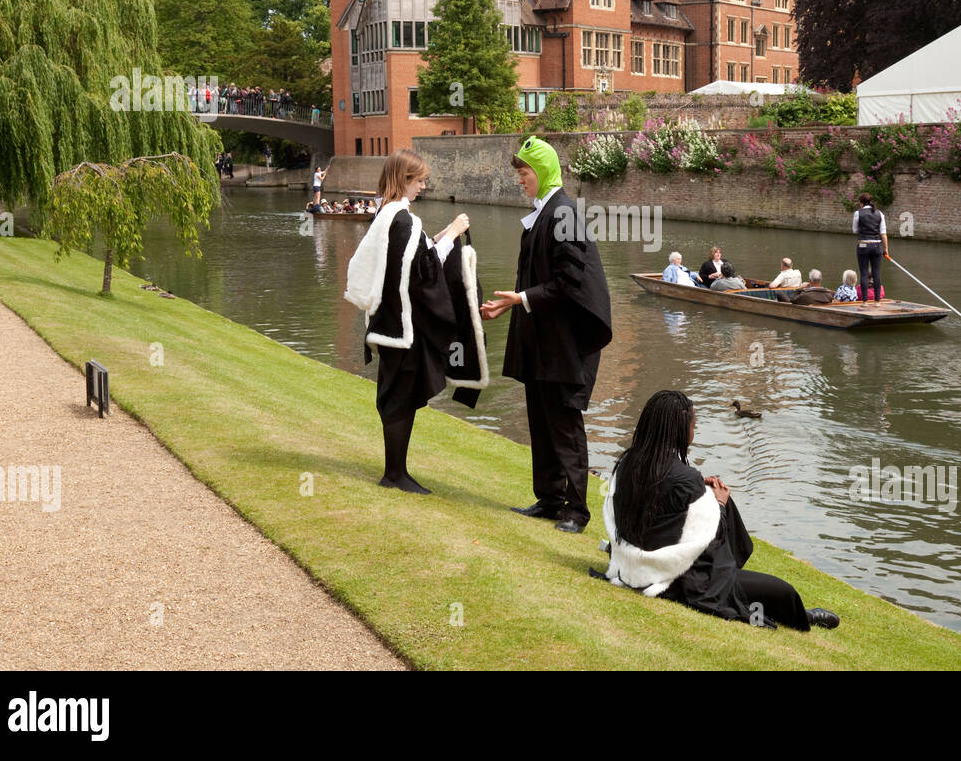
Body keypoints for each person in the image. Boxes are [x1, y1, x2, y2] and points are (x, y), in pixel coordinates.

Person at [603, 390, 840, 631]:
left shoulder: (625, 465)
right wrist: (718, 505)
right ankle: (803, 615)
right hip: (673, 578)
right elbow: (707, 541)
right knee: (783, 591)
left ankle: (730, 575)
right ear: (682, 430)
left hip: (629, 566)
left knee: (719, 517)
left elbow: (658, 515)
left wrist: (699, 495)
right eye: (694, 425)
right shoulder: (685, 478)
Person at [480, 136, 612, 535]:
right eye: (519, 173)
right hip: (542, 342)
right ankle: (551, 499)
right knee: (540, 420)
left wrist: (521, 298)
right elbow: (542, 279)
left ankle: (577, 510)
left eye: (524, 173)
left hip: (566, 344)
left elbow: (571, 282)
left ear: (541, 171)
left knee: (564, 423)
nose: (520, 180)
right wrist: (513, 302)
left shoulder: (564, 213)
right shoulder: (544, 214)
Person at [343, 149, 483, 493]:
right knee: (399, 398)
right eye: (419, 180)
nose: (423, 186)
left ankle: (397, 471)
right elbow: (422, 273)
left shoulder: (388, 214)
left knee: (398, 396)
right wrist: (452, 233)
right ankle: (394, 475)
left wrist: (440, 239)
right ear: (404, 180)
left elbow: (414, 259)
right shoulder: (403, 220)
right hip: (401, 328)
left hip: (389, 323)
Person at [852, 192, 889, 305]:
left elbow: (855, 230)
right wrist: (886, 249)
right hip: (876, 246)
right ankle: (877, 301)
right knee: (876, 273)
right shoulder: (880, 213)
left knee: (864, 273)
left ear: (861, 202)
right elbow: (883, 233)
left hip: (863, 245)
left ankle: (864, 302)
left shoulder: (858, 213)